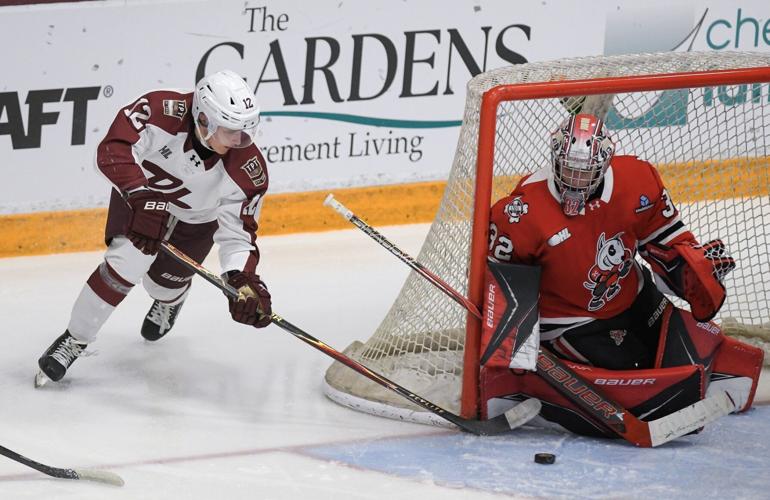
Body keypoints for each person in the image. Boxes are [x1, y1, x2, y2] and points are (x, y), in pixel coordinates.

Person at [484, 113, 763, 435]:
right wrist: (517, 346)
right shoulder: (520, 213)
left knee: (697, 345)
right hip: (570, 322)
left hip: (636, 294)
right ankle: (542, 395)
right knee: (638, 379)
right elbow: (501, 287)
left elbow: (666, 235)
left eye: (585, 171)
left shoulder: (638, 179)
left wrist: (687, 265)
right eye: (569, 169)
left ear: (605, 163)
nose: (575, 180)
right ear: (554, 159)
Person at [35, 70, 273, 387]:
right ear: (203, 119)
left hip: (196, 220)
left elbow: (238, 235)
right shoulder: (159, 110)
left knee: (163, 285)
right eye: (230, 131)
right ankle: (75, 339)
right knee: (123, 265)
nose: (239, 141)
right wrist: (140, 195)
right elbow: (113, 149)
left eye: (244, 131)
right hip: (141, 199)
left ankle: (170, 300)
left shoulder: (247, 170)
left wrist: (242, 279)